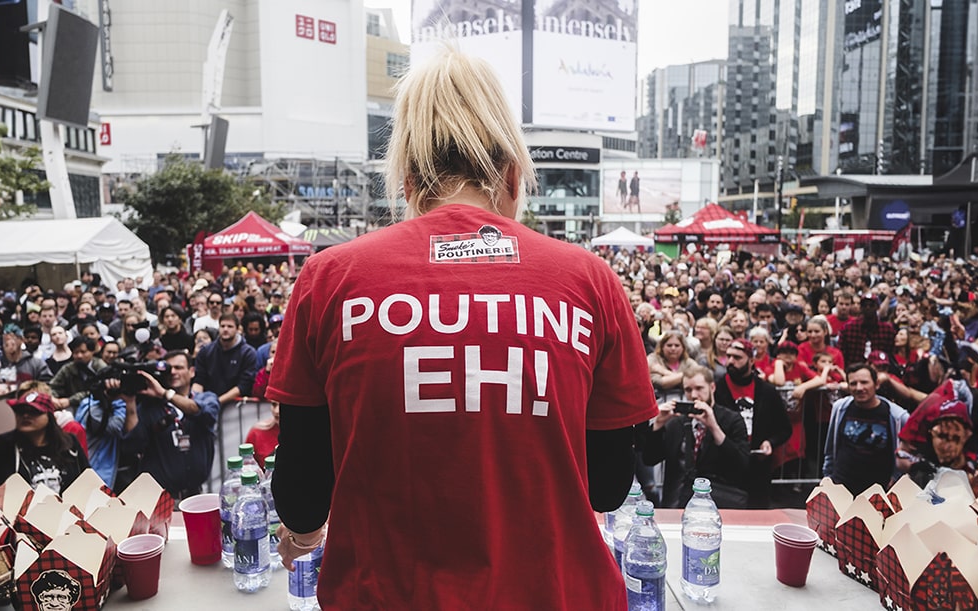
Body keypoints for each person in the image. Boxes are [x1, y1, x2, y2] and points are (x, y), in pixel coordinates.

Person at [267, 48, 656, 610]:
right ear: (512, 174)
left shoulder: (330, 279)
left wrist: (301, 536)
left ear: (406, 180)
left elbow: (303, 494)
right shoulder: (589, 282)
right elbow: (607, 486)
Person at [640, 365, 750, 508]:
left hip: (720, 501)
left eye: (699, 388)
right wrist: (658, 425)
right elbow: (650, 458)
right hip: (678, 502)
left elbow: (742, 463)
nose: (693, 395)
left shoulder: (731, 420)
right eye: (688, 390)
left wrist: (714, 428)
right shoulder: (677, 422)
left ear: (712, 388)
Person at [122, 350, 219, 501]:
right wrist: (130, 402)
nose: (173, 372)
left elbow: (201, 412)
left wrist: (166, 394)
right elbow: (133, 444)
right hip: (161, 499)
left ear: (192, 372)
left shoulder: (207, 399)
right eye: (169, 368)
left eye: (179, 367)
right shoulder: (150, 407)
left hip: (196, 495)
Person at [714, 338, 791, 509]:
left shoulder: (767, 391)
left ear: (751, 360)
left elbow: (784, 428)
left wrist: (770, 443)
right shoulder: (717, 389)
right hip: (725, 467)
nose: (731, 361)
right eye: (729, 357)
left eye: (737, 357)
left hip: (758, 467)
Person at [823, 363, 911, 496]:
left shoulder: (896, 416)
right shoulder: (840, 408)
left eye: (864, 382)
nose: (859, 388)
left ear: (876, 384)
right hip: (842, 485)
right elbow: (831, 447)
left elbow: (905, 454)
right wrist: (827, 477)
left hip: (878, 490)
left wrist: (896, 478)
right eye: (853, 383)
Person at [0, 391, 89, 494]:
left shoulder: (69, 443)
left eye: (34, 411)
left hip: (67, 509)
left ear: (49, 415)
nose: (26, 415)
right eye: (20, 411)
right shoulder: (3, 445)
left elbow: (87, 480)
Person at [193, 313, 258, 406]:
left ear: (237, 329)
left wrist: (216, 402)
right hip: (207, 402)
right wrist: (197, 401)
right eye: (222, 326)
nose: (225, 329)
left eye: (230, 326)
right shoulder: (206, 351)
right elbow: (199, 380)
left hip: (236, 405)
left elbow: (243, 386)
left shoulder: (248, 353)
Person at [838, 293, 897, 367]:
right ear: (861, 307)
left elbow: (892, 353)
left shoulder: (887, 329)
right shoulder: (848, 328)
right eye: (865, 305)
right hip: (853, 369)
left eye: (871, 305)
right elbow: (841, 352)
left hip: (880, 369)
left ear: (877, 307)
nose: (868, 308)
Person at [49, 337, 105, 412]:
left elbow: (96, 391)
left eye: (83, 352)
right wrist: (53, 398)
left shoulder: (100, 367)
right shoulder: (68, 368)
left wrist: (70, 400)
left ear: (92, 351)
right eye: (76, 352)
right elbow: (53, 386)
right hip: (72, 407)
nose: (79, 356)